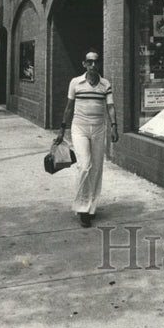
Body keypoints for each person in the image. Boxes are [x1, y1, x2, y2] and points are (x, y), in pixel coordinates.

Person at [53, 50, 118, 228]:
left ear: (99, 64)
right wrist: (61, 130)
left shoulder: (105, 84)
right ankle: (82, 207)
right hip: (79, 128)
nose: (93, 65)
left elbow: (110, 106)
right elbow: (68, 107)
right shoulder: (76, 83)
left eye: (96, 62)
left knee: (96, 168)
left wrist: (114, 126)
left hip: (99, 129)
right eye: (89, 62)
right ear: (84, 64)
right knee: (84, 165)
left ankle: (91, 207)